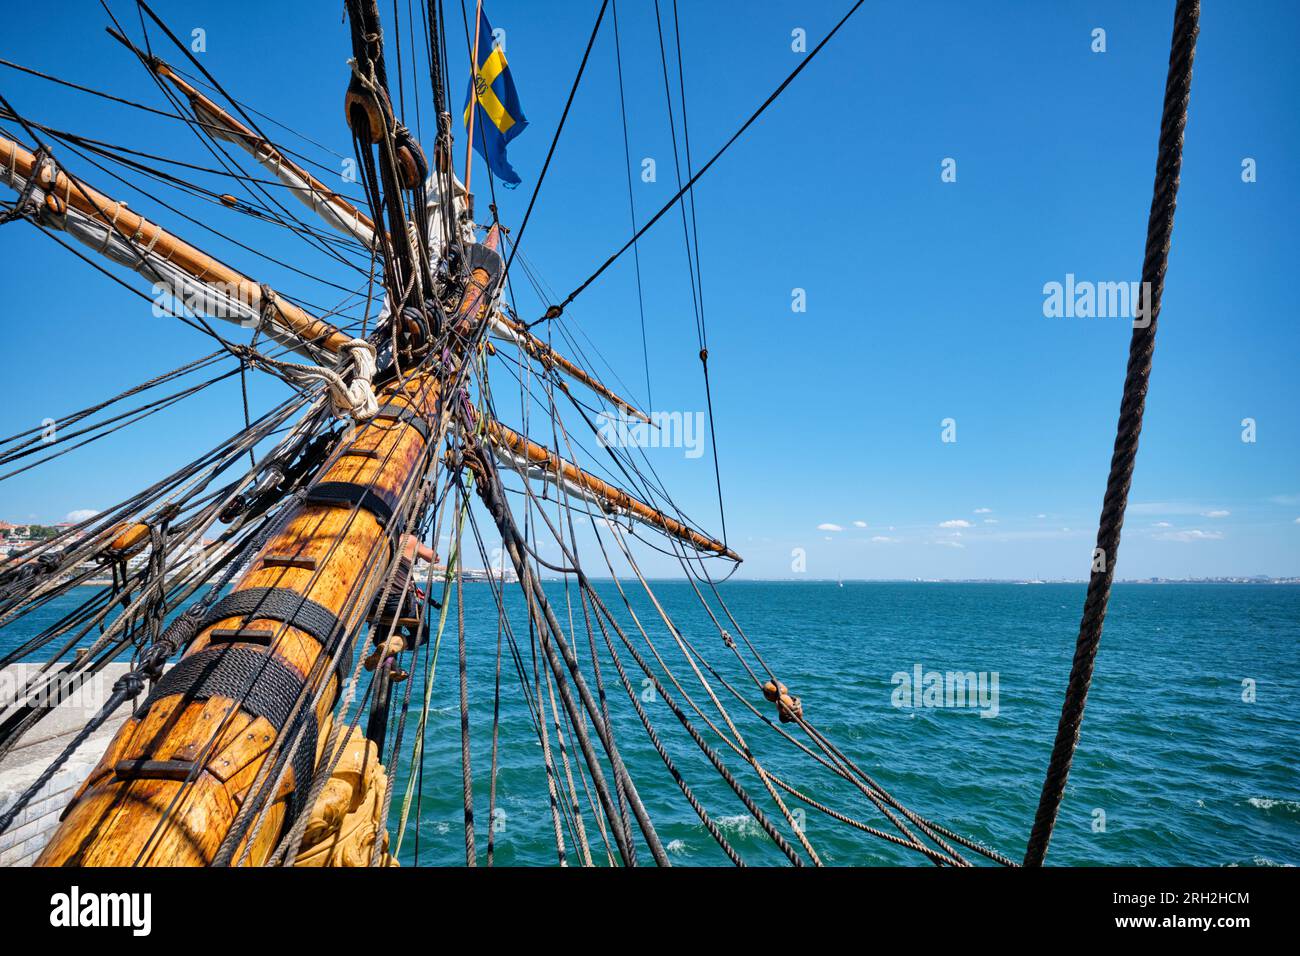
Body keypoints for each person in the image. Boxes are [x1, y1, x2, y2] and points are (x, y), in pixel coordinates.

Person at [369, 533, 438, 649]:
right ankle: (398, 643)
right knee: (423, 635)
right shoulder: (409, 540)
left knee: (381, 633)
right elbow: (435, 558)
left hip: (375, 603)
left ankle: (388, 661)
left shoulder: (376, 536)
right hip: (399, 604)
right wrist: (418, 549)